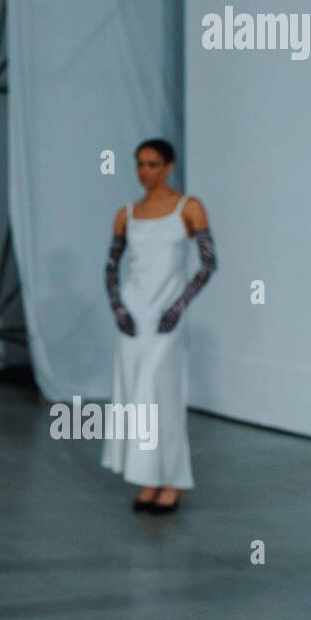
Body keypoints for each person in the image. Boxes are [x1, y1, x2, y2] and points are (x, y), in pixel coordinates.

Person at [100, 138, 216, 514]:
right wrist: (118, 307)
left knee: (160, 395)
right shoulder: (127, 214)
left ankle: (174, 480)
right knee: (137, 397)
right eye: (139, 164)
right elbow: (111, 266)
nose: (144, 171)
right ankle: (150, 477)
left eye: (152, 164)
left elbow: (208, 263)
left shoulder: (188, 208)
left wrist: (179, 305)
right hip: (132, 317)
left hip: (166, 317)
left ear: (168, 166)